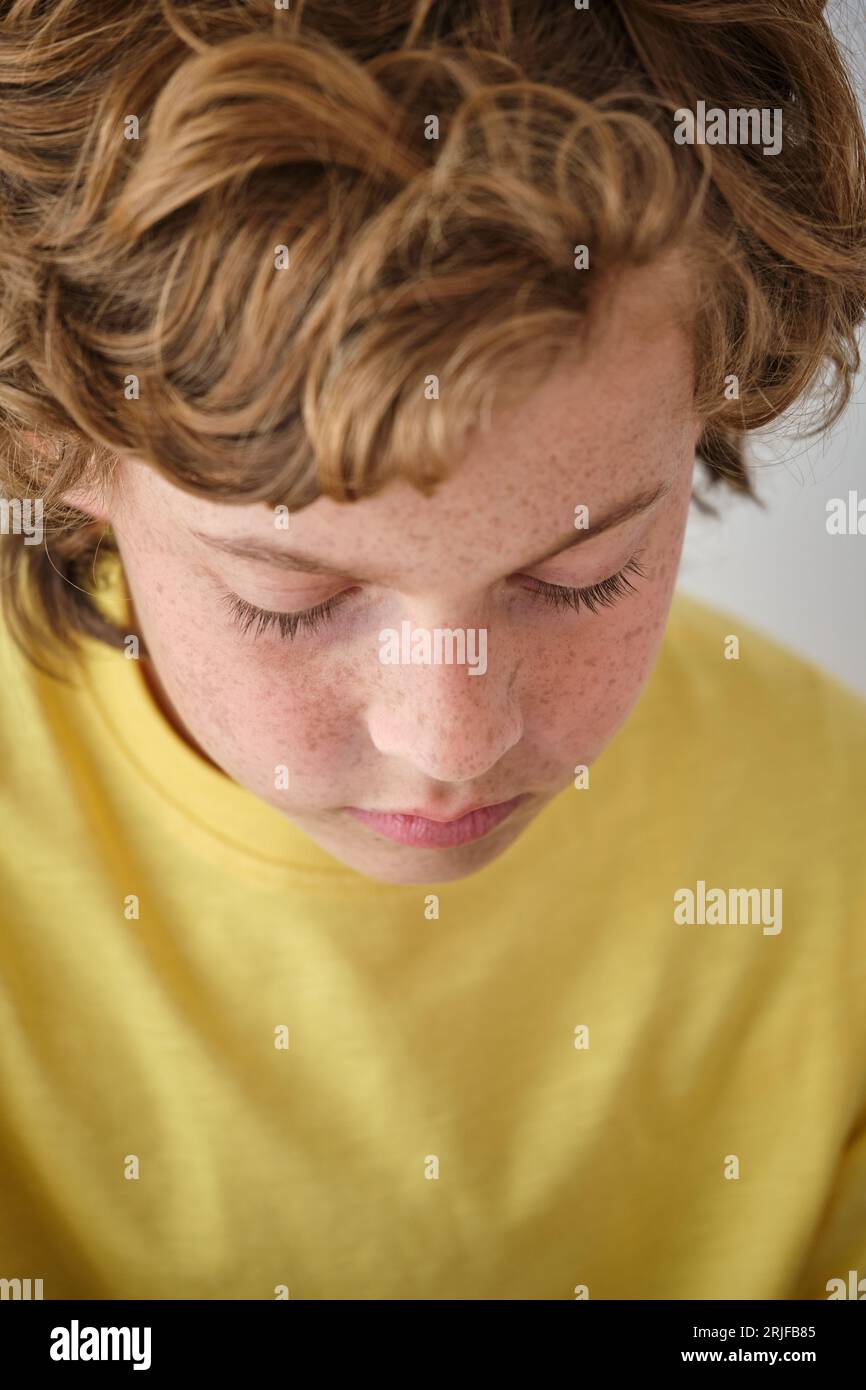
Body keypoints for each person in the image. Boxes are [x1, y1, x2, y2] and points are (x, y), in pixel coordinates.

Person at [0, 0, 864, 1301]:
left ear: (717, 398)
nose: (453, 743)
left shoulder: (834, 850)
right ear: (51, 454)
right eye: (292, 598)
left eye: (582, 574)